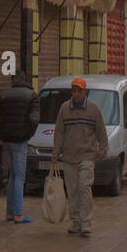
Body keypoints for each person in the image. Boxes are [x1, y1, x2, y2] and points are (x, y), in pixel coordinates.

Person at [52, 77, 108, 237]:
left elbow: (101, 131)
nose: (76, 94)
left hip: (87, 156)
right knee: (73, 191)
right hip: (69, 157)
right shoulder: (64, 109)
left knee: (84, 188)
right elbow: (59, 132)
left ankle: (86, 223)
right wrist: (56, 151)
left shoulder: (93, 109)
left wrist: (103, 149)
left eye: (79, 91)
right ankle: (76, 222)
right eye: (74, 90)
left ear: (84, 92)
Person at [0, 68, 40, 223]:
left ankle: (9, 212)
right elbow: (34, 119)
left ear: (13, 80)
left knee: (12, 175)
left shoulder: (4, 95)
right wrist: (28, 134)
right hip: (20, 141)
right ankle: (18, 214)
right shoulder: (32, 96)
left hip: (6, 140)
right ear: (25, 79)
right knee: (19, 176)